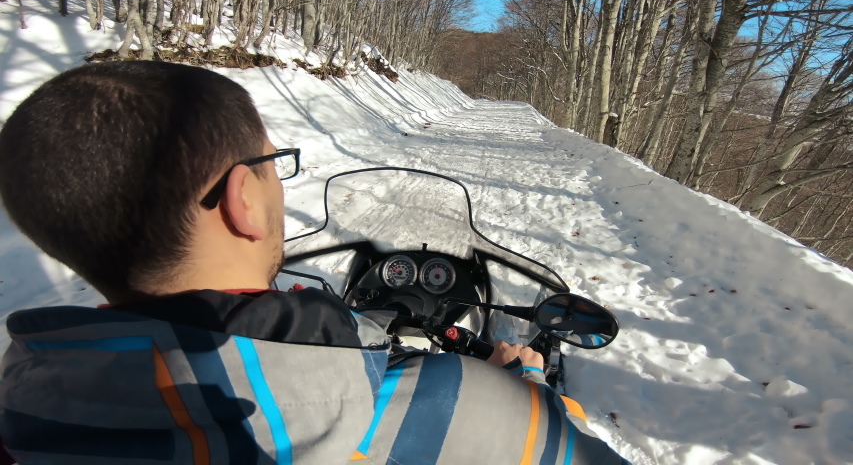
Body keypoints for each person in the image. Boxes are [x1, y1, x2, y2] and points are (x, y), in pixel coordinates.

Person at [0, 61, 629, 465]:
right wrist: (527, 387)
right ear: (244, 200)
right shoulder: (461, 402)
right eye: (273, 164)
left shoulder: (22, 412)